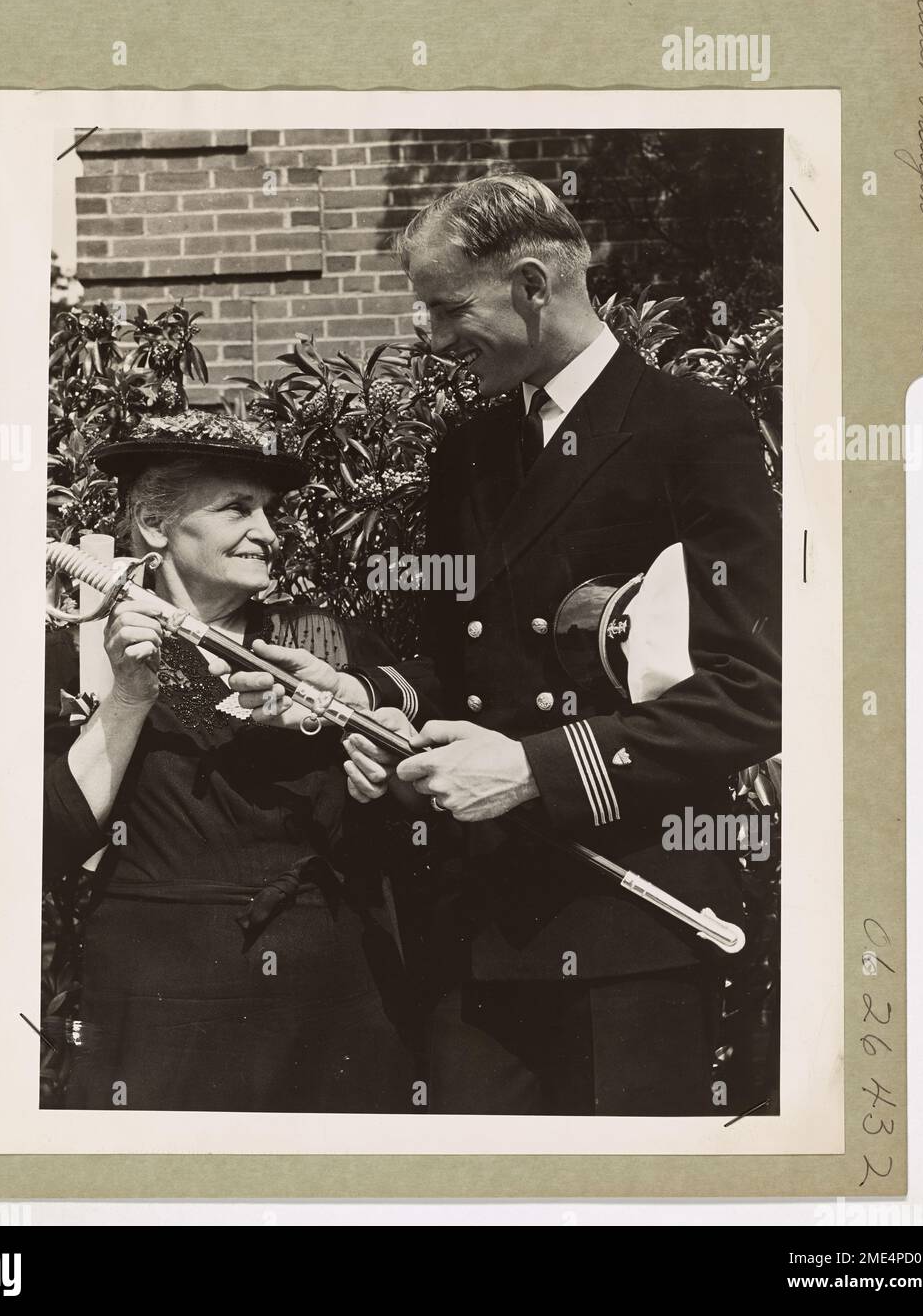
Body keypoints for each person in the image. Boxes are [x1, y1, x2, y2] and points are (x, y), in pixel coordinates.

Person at [240, 173, 782, 1116]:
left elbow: (754, 690)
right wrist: (363, 689)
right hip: (477, 921)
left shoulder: (696, 431)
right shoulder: (468, 454)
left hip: (629, 923)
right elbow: (450, 659)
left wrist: (538, 769)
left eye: (449, 307)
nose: (432, 337)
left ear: (533, 283)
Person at [43, 409, 417, 1113]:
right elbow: (47, 842)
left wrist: (381, 777)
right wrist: (127, 698)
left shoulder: (324, 642)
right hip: (162, 1000)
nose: (269, 535)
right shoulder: (86, 653)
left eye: (270, 512)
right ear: (156, 525)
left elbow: (393, 810)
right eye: (237, 510)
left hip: (329, 996)